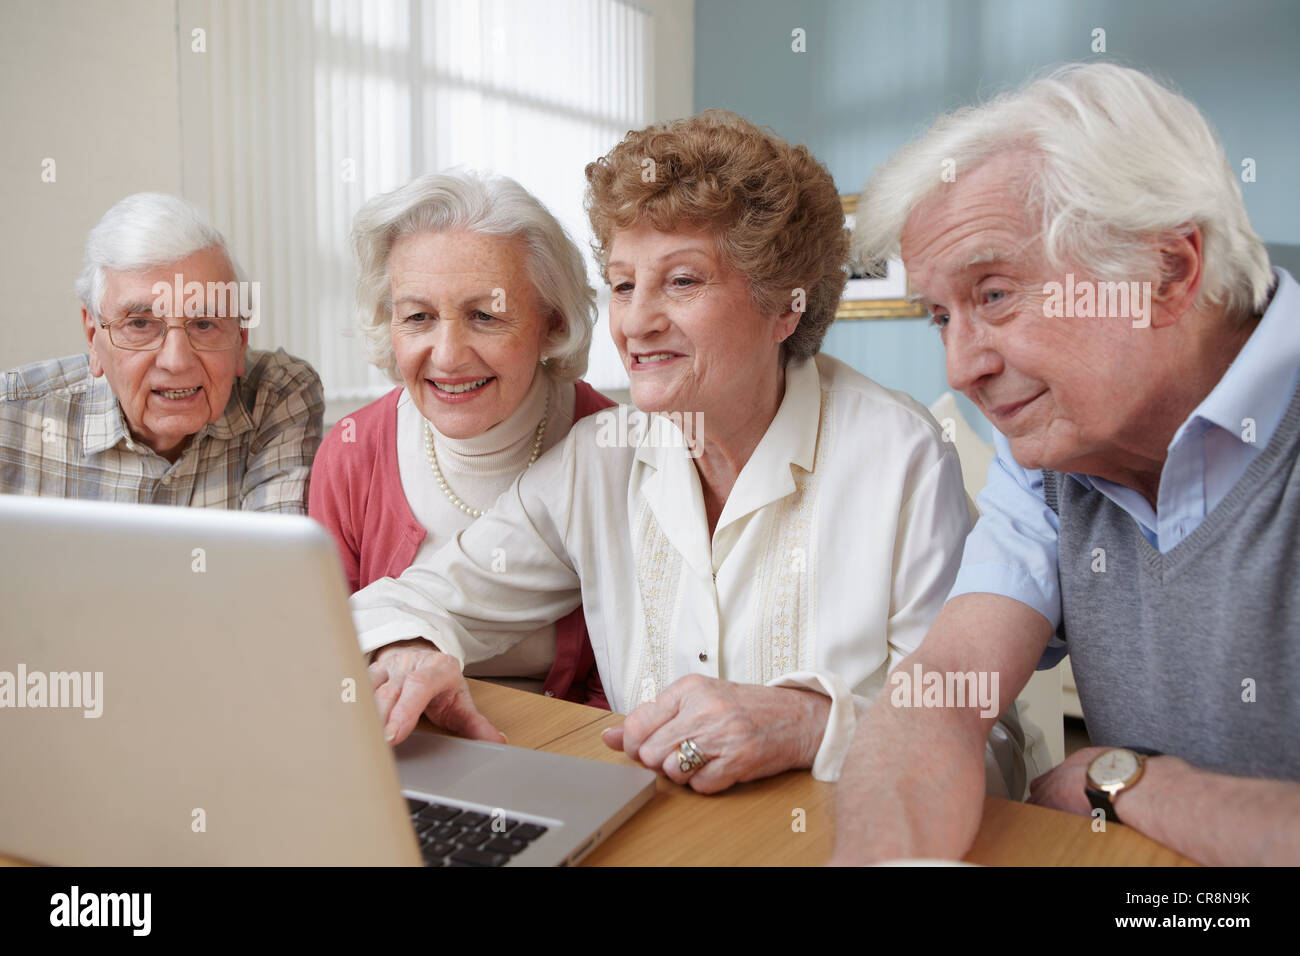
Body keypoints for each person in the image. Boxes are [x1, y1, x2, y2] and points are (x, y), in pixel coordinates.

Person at [350, 111, 1037, 795]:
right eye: (623, 284)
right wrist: (411, 647)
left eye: (682, 281)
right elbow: (412, 600)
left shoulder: (898, 456)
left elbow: (992, 754)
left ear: (784, 306)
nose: (637, 321)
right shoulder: (600, 458)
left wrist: (812, 726)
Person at [832, 63, 1300, 865]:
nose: (960, 368)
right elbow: (939, 699)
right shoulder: (1054, 456)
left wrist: (1130, 784)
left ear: (1167, 272)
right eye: (940, 316)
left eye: (994, 295)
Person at [309, 171, 615, 706]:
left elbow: (627, 688)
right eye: (418, 316)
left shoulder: (613, 451)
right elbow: (325, 654)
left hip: (568, 743)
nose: (448, 356)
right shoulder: (353, 451)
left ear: (551, 322)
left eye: (484, 316)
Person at [0, 192, 323, 512]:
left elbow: (275, 544)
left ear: (241, 339)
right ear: (93, 335)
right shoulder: (10, 416)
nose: (176, 361)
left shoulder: (275, 396)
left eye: (204, 324)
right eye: (140, 324)